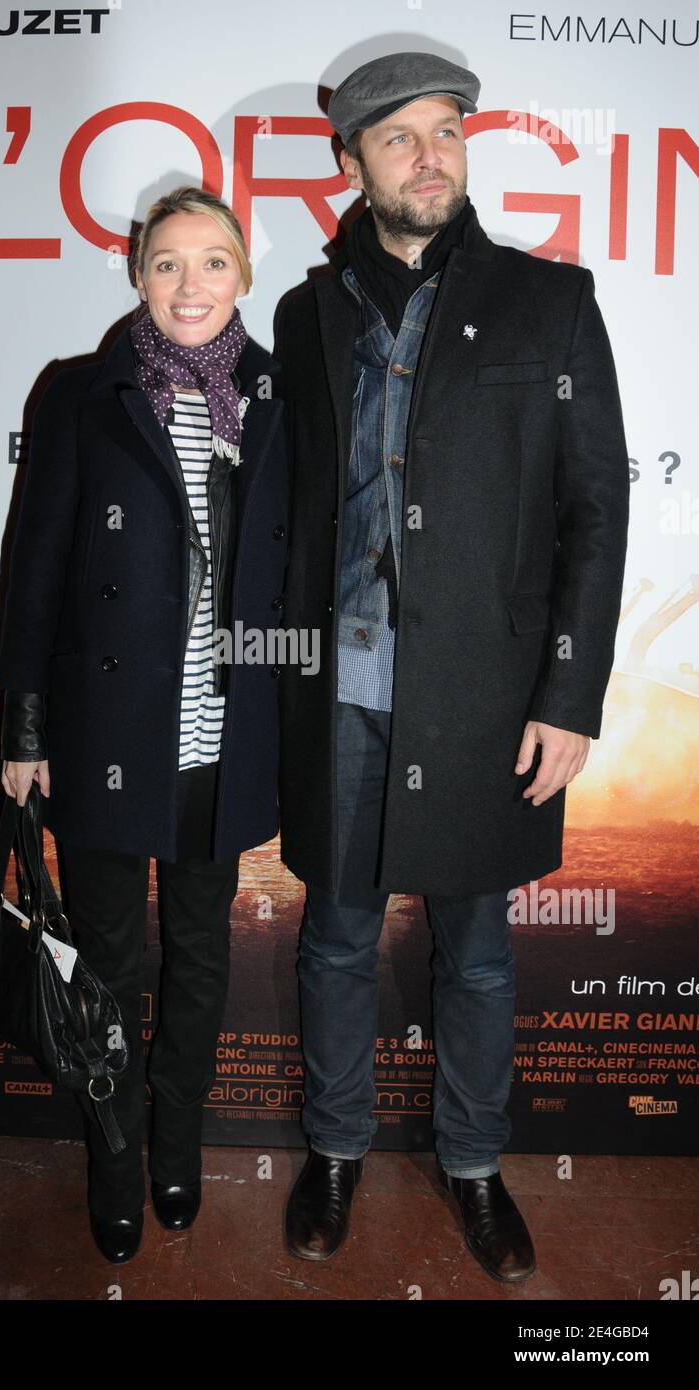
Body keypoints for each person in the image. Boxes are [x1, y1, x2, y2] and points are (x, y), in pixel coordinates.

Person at [273, 52, 629, 1281]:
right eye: (398, 139)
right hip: (345, 692)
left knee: (475, 950)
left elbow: (594, 509)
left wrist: (568, 697)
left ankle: (473, 1166)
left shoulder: (552, 301)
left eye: (445, 132)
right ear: (351, 164)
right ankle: (334, 1152)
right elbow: (293, 513)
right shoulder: (304, 315)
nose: (430, 155)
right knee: (333, 938)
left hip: (487, 700)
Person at [0, 187, 290, 1264]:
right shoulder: (81, 394)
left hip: (222, 737)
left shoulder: (276, 395)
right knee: (111, 965)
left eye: (212, 262)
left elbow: (292, 579)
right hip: (108, 730)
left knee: (200, 957)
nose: (189, 284)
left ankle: (179, 1141)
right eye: (166, 262)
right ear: (135, 274)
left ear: (242, 276)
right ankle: (115, 1153)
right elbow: (30, 573)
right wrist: (22, 727)